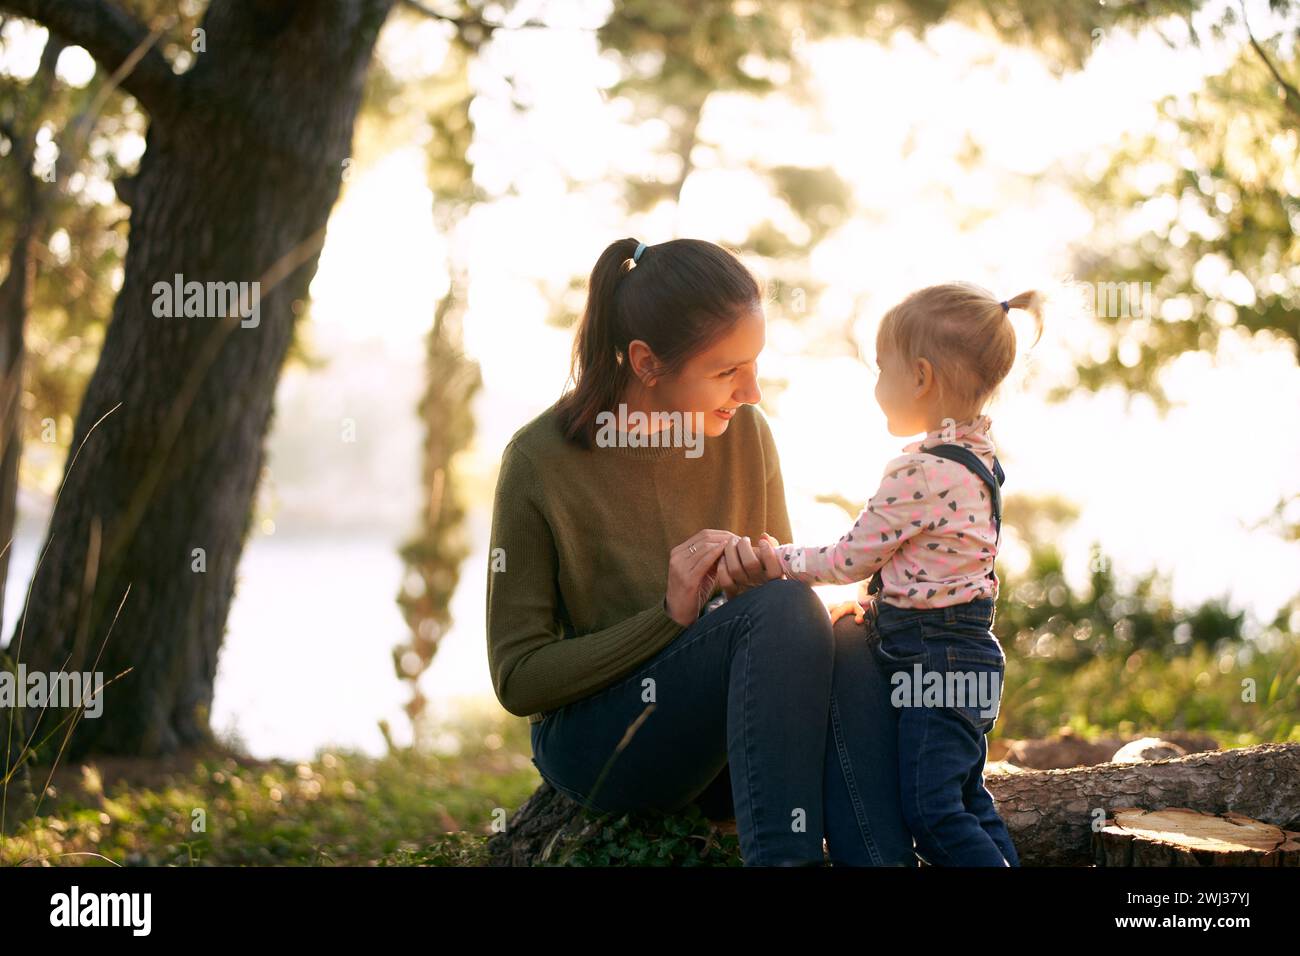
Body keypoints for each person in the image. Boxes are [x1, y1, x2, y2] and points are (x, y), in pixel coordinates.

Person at [485, 236, 916, 865]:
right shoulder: (538, 462)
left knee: (844, 632)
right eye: (726, 372)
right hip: (601, 741)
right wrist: (668, 615)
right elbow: (518, 678)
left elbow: (776, 603)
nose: (751, 392)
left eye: (754, 364)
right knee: (789, 612)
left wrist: (752, 580)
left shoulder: (748, 434)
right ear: (647, 362)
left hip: (718, 734)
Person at [770, 282, 1045, 866]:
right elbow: (936, 566)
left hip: (932, 660)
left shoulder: (918, 471)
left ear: (920, 377)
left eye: (881, 370)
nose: (875, 387)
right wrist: (881, 603)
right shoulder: (980, 459)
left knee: (933, 812)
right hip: (971, 654)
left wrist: (778, 559)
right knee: (968, 797)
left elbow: (849, 558)